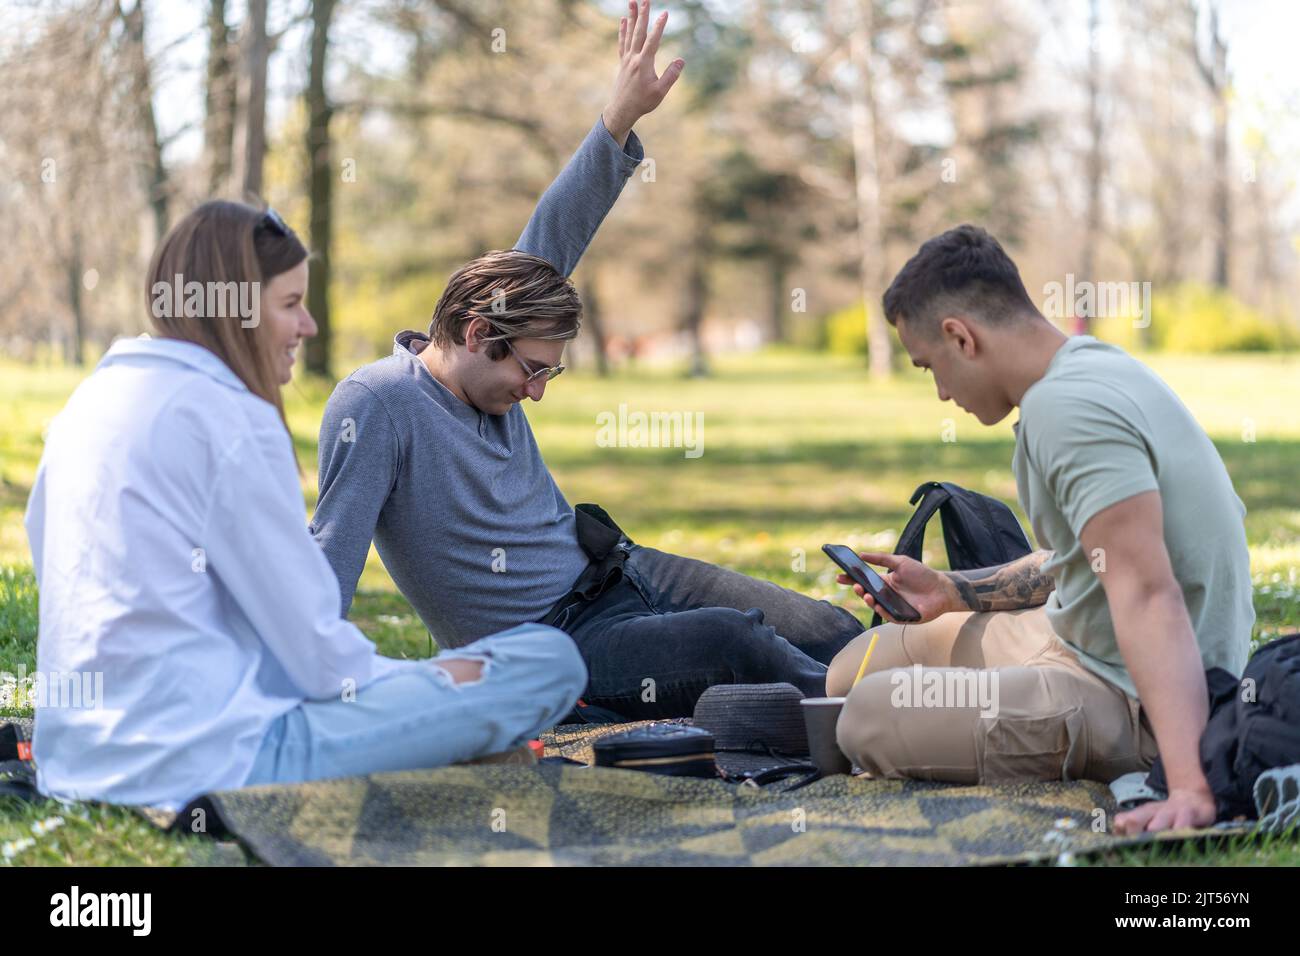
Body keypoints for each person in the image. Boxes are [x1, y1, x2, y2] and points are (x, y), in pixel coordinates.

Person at [311, 0, 865, 721]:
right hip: (554, 645)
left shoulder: (511, 325)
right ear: (477, 334)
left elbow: (558, 226)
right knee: (740, 645)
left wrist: (620, 117)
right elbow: (331, 562)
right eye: (532, 371)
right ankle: (906, 721)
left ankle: (966, 663)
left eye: (549, 373)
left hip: (621, 569)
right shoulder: (376, 407)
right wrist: (315, 696)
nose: (536, 392)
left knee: (830, 630)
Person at [23, 203, 586, 813]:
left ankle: (453, 736)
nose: (308, 326)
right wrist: (446, 681)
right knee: (547, 660)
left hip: (74, 759)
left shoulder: (89, 404)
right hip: (216, 761)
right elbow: (313, 660)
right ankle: (458, 739)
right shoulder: (230, 418)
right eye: (290, 304)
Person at [825, 224, 1253, 835]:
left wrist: (1188, 785)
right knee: (856, 668)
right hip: (1075, 635)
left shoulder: (1068, 412)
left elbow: (1145, 592)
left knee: (866, 717)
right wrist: (951, 591)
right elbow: (1080, 559)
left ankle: (1151, 752)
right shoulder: (1079, 371)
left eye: (930, 369)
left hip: (1139, 697)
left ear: (960, 337)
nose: (943, 393)